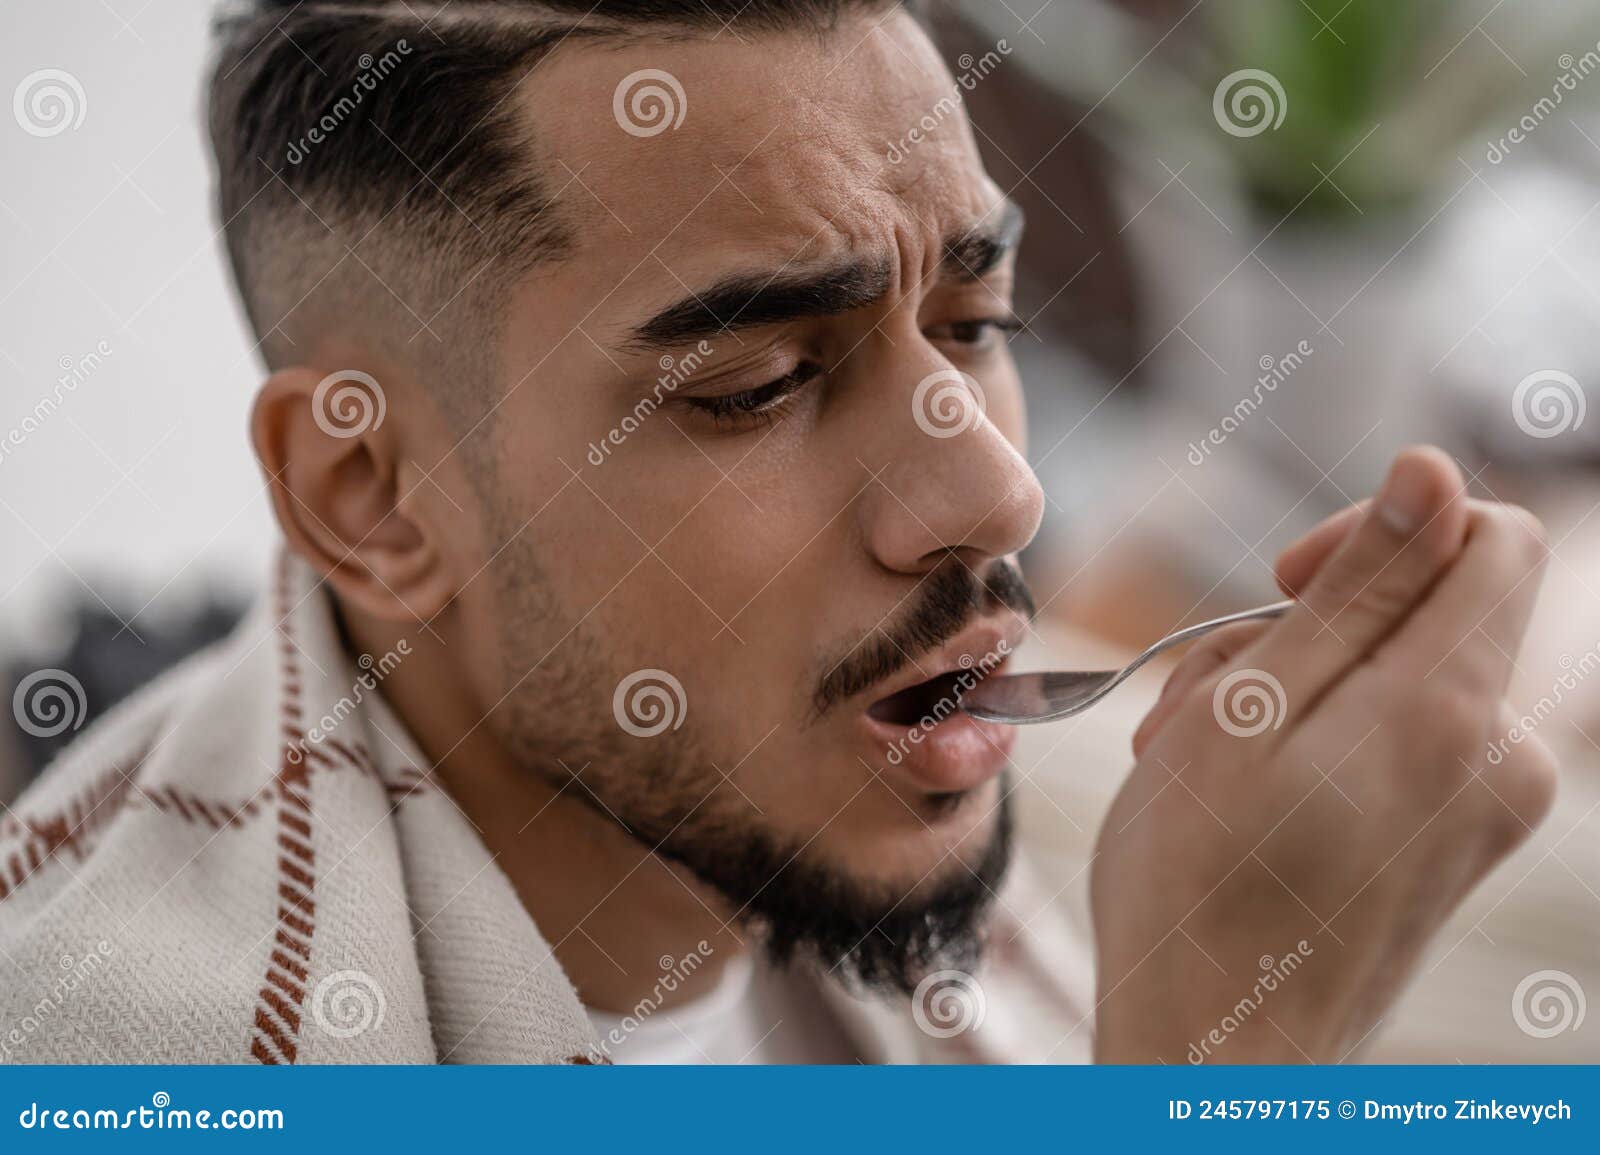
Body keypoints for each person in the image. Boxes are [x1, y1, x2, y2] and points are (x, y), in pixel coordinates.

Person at [0, 0, 1554, 1065]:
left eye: (975, 320)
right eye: (756, 384)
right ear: (374, 498)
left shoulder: (820, 766)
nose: (998, 499)